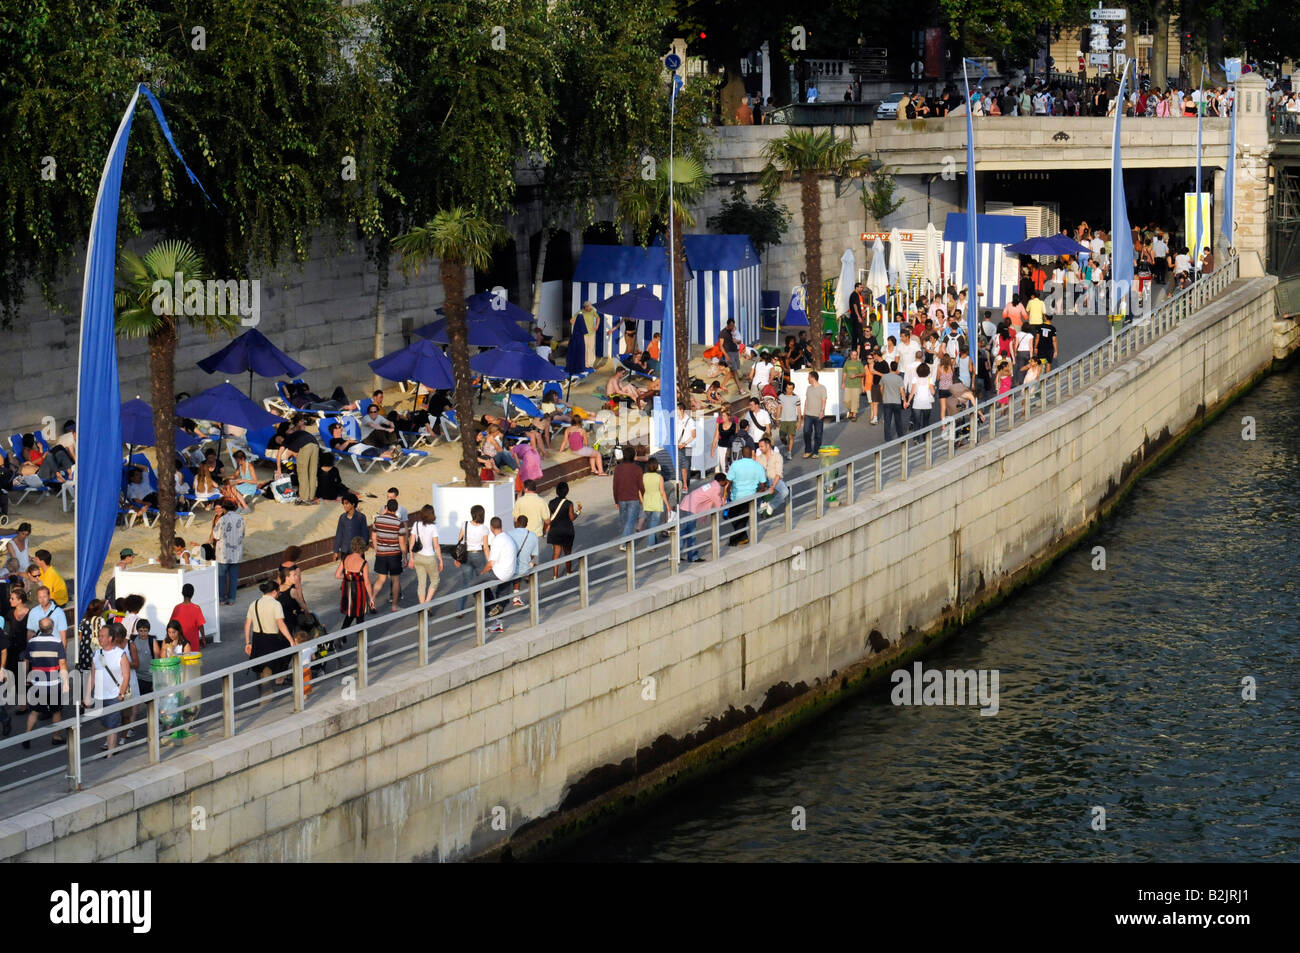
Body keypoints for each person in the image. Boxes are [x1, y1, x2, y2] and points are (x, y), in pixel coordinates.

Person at [22, 615, 68, 748]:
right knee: (56, 711)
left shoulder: (32, 643)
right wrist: (65, 683)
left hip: (37, 685)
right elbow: (63, 663)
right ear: (52, 628)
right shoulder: (57, 642)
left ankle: (27, 736)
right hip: (54, 684)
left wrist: (25, 677)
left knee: (34, 712)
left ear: (39, 628)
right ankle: (56, 736)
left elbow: (26, 661)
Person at [244, 579, 294, 688]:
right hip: (272, 639)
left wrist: (247, 643)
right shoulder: (276, 604)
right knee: (284, 655)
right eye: (279, 593)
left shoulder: (254, 603)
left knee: (261, 661)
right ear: (275, 592)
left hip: (257, 638)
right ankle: (279, 679)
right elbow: (280, 624)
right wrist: (291, 640)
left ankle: (264, 677)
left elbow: (247, 625)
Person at [90, 622, 131, 755]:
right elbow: (92, 676)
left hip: (114, 696)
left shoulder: (120, 654)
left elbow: (126, 675)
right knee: (107, 724)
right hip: (100, 696)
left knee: (112, 726)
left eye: (102, 636)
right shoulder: (96, 654)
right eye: (99, 636)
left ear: (110, 638)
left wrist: (121, 694)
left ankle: (110, 754)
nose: (99, 638)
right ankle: (111, 747)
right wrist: (86, 695)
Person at [481, 517, 519, 633]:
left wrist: (482, 573)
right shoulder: (508, 537)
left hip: (501, 573)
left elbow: (491, 563)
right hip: (510, 572)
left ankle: (492, 608)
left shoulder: (497, 540)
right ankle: (499, 621)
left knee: (475, 584)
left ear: (492, 528)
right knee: (500, 594)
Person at [724, 445, 768, 546]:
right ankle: (743, 538)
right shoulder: (758, 466)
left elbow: (728, 481)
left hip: (736, 497)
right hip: (750, 497)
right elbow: (763, 484)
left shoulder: (735, 464)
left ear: (742, 454)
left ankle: (734, 539)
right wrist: (760, 491)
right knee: (742, 519)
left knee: (735, 518)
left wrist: (726, 494)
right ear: (752, 454)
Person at [371, 498, 408, 613]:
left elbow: (373, 537)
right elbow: (402, 543)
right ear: (396, 509)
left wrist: (377, 549)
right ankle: (394, 606)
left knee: (381, 579)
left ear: (386, 508)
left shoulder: (378, 520)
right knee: (395, 580)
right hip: (394, 555)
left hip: (381, 554)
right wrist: (405, 557)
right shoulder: (399, 523)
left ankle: (372, 601)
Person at [454, 505, 490, 615]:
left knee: (466, 582)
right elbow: (485, 547)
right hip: (478, 555)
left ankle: (460, 609)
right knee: (481, 581)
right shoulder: (484, 528)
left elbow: (459, 540)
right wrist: (489, 561)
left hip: (466, 556)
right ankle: (483, 606)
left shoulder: (465, 524)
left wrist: (457, 557)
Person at [209, 500, 245, 606]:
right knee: (233, 577)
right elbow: (243, 534)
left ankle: (221, 599)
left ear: (224, 509)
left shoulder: (222, 519)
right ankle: (232, 599)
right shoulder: (241, 518)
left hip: (223, 553)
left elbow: (216, 535)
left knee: (221, 577)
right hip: (236, 553)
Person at [409, 505, 444, 605]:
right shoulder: (433, 527)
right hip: (429, 557)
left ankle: (422, 606)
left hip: (418, 557)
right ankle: (426, 605)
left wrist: (411, 558)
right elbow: (436, 546)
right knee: (435, 580)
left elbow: (411, 543)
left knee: (421, 583)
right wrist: (440, 560)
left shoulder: (416, 524)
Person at [545, 482, 581, 578]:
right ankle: (568, 571)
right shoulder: (569, 504)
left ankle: (555, 575)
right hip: (567, 531)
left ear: (557, 491)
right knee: (567, 552)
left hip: (555, 530)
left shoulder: (551, 503)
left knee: (556, 553)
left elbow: (548, 518)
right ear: (567, 491)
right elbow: (572, 518)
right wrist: (578, 512)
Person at [613, 447, 644, 547]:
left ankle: (628, 542)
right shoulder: (637, 469)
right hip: (634, 498)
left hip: (621, 498)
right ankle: (624, 543)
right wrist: (644, 496)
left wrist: (616, 500)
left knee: (624, 522)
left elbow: (615, 486)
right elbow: (641, 485)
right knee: (630, 522)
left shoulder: (618, 469)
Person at [506, 515, 539, 605]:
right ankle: (530, 597)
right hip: (524, 566)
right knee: (532, 565)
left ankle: (515, 596)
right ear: (526, 524)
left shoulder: (509, 534)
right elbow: (533, 554)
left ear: (517, 523)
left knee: (517, 568)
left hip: (510, 565)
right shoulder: (533, 535)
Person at [755, 437, 788, 514]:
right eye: (759, 447)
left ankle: (771, 505)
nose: (760, 449)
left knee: (785, 492)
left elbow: (778, 473)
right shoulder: (759, 458)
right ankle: (761, 504)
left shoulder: (777, 456)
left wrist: (773, 486)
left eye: (761, 446)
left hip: (774, 479)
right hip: (763, 481)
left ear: (768, 446)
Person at [640, 457, 669, 545]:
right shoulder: (659, 477)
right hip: (657, 502)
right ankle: (651, 544)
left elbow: (640, 490)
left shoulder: (643, 476)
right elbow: (662, 492)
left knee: (651, 523)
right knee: (654, 525)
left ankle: (654, 541)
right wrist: (667, 504)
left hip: (647, 501)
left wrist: (642, 501)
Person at [333, 493, 369, 562]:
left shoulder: (361, 517)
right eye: (343, 504)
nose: (344, 506)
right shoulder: (342, 518)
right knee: (345, 571)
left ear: (353, 504)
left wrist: (362, 548)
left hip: (357, 551)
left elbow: (365, 534)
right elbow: (339, 534)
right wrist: (336, 551)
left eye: (346, 504)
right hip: (345, 550)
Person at [801, 371, 828, 458]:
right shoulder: (809, 388)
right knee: (806, 432)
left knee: (818, 434)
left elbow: (824, 400)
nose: (807, 379)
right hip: (808, 414)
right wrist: (804, 411)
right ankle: (808, 450)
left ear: (813, 378)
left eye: (808, 377)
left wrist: (822, 411)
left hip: (818, 415)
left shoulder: (822, 388)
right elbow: (807, 400)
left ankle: (816, 452)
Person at [904, 361, 936, 431]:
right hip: (927, 403)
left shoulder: (915, 379)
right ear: (928, 371)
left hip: (917, 403)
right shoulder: (929, 380)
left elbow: (912, 393)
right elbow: (933, 392)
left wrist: (908, 402)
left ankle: (916, 439)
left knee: (917, 423)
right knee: (926, 422)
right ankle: (925, 439)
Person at [841, 346, 866, 422]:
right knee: (846, 400)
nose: (854, 356)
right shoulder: (847, 363)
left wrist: (856, 375)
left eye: (855, 355)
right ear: (850, 355)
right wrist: (842, 382)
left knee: (855, 400)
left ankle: (854, 415)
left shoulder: (859, 364)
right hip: (848, 384)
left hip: (856, 385)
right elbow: (844, 373)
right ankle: (851, 410)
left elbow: (863, 374)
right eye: (853, 355)